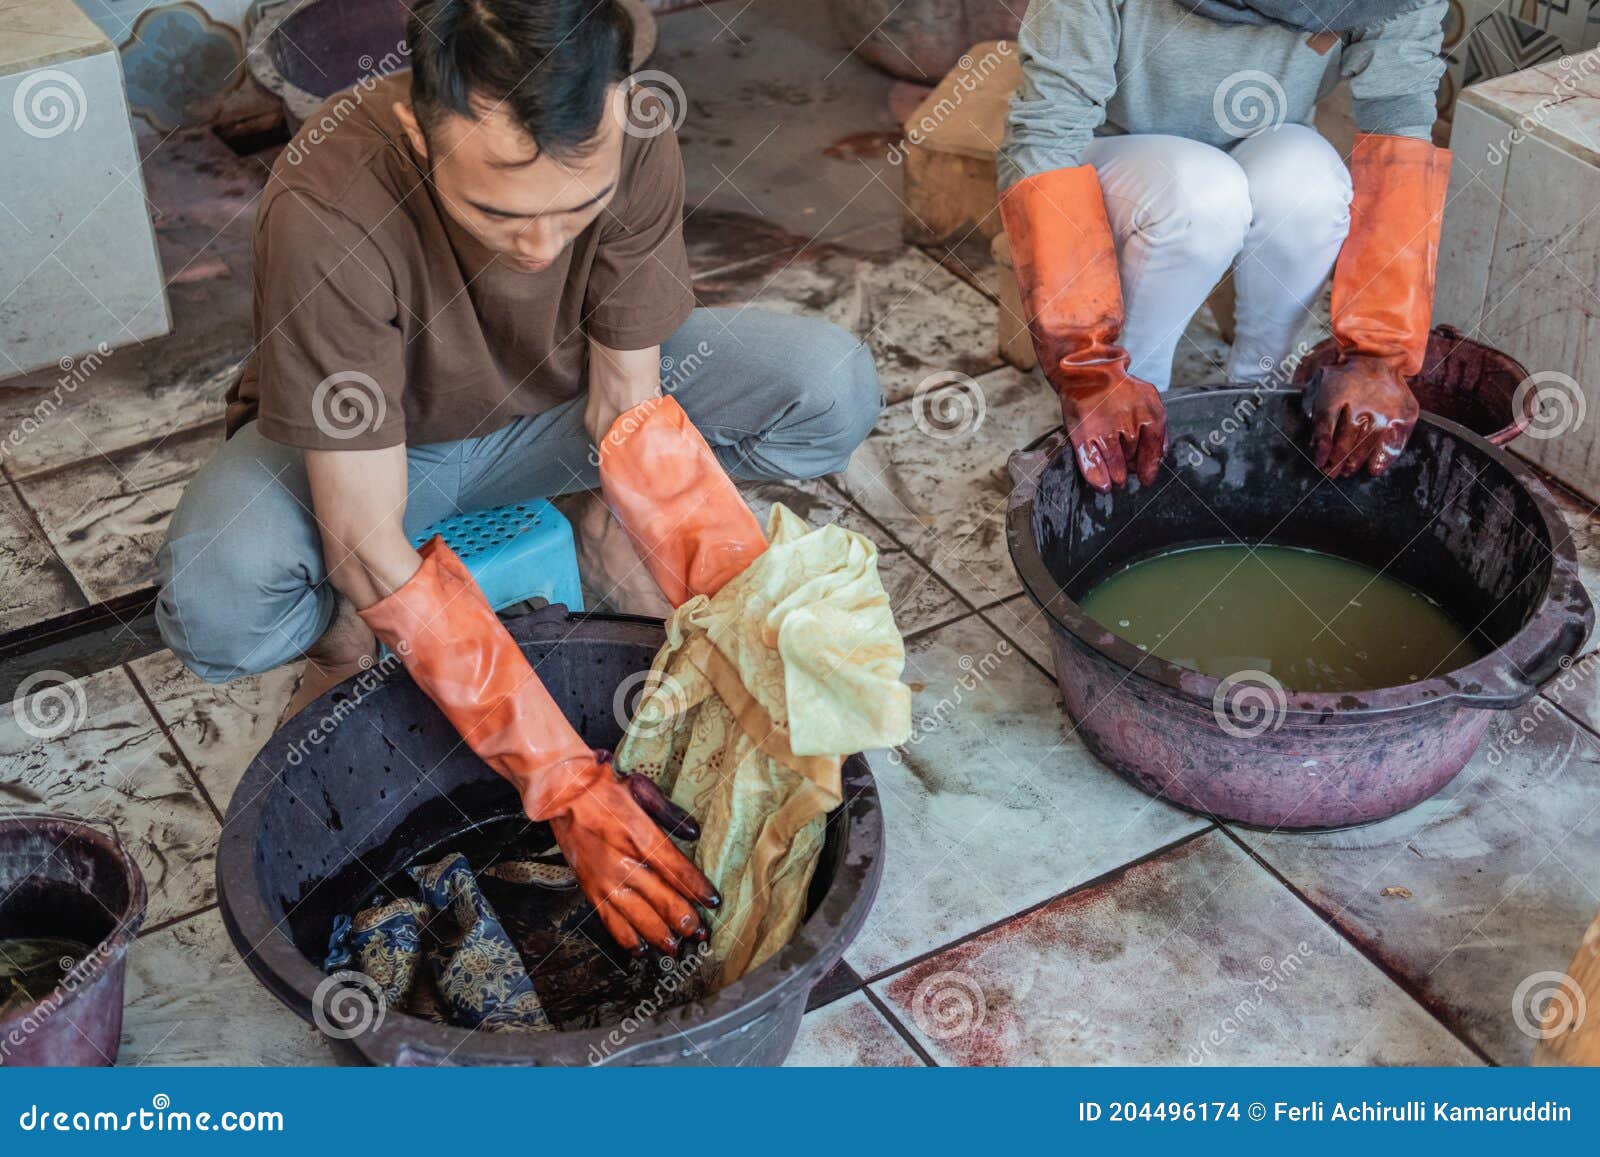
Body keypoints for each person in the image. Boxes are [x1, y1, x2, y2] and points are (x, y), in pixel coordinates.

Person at [153, 0, 881, 954]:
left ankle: (579, 517)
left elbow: (626, 402)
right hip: (386, 456)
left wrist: (735, 634)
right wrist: (568, 783)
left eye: (574, 210)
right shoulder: (326, 198)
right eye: (496, 209)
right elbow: (368, 541)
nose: (541, 248)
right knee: (219, 596)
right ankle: (340, 643)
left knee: (827, 385)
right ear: (419, 126)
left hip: (555, 415)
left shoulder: (634, 128)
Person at [999, 0, 1451, 491]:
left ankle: (1254, 400)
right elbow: (1045, 136)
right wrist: (1085, 367)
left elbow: (1400, 123)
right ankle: (1135, 411)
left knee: (1312, 187)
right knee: (1205, 194)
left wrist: (1378, 357)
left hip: (1259, 143)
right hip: (1114, 155)